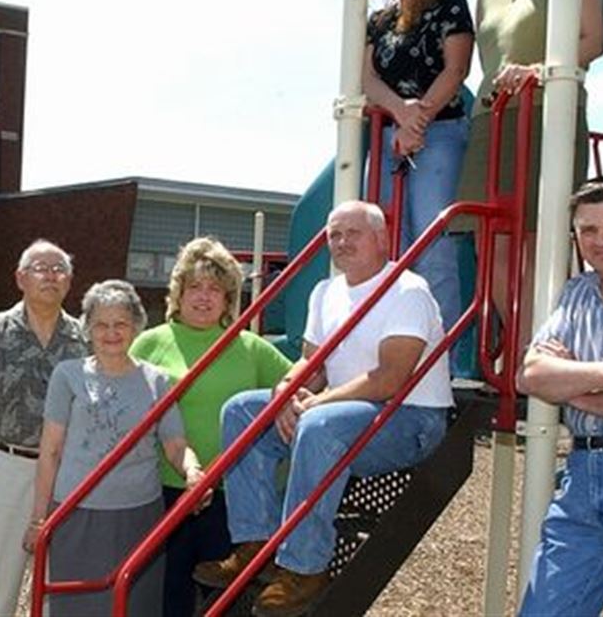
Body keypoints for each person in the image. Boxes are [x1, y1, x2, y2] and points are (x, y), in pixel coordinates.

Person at [193, 201, 453, 616]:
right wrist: (286, 393)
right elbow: (311, 364)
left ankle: (305, 568)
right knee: (243, 410)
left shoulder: (407, 291)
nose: (342, 242)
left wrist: (314, 402)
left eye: (354, 233)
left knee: (320, 423)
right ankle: (256, 544)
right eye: (335, 234)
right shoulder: (326, 292)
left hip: (411, 419)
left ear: (382, 239)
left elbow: (391, 378)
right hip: (348, 413)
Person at [455, 0, 603, 349]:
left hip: (547, 113)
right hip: (490, 121)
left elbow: (593, 39)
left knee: (537, 242)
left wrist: (540, 71)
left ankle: (545, 355)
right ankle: (526, 353)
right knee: (491, 244)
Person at [129, 237, 293, 617]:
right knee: (169, 592)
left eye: (215, 289)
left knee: (226, 600)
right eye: (195, 287)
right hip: (164, 491)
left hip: (230, 497)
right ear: (178, 293)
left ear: (228, 298)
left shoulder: (250, 348)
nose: (204, 297)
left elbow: (303, 381)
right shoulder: (149, 344)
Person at [24, 279, 202, 617]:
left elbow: (175, 444)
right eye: (101, 324)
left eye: (120, 323)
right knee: (77, 605)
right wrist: (38, 520)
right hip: (76, 512)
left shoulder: (156, 380)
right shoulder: (68, 376)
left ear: (135, 326)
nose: (111, 333)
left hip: (138, 514)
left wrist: (192, 470)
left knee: (134, 605)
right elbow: (50, 451)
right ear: (88, 328)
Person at [516, 176, 603, 616]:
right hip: (582, 479)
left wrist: (573, 391)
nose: (601, 240)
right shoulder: (576, 294)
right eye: (588, 230)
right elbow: (529, 374)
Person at [0, 239, 89, 617]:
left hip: (68, 474)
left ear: (70, 281)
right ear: (20, 278)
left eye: (59, 269)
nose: (50, 276)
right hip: (6, 471)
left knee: (58, 581)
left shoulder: (86, 341)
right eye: (40, 268)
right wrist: (1, 448)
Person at [362, 0, 474, 369]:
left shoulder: (450, 3)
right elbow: (365, 78)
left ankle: (438, 360)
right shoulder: (378, 21)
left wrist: (419, 119)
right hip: (389, 136)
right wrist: (399, 113)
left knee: (433, 244)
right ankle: (392, 351)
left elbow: (457, 68)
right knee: (387, 243)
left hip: (440, 133)